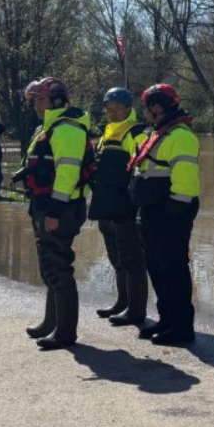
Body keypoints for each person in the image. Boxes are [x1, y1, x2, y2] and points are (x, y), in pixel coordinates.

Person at [12, 77, 90, 350]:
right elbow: (45, 164)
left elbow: (67, 175)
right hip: (44, 205)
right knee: (49, 266)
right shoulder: (47, 128)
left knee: (58, 268)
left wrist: (54, 212)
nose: (36, 106)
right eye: (34, 101)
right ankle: (50, 322)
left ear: (57, 100)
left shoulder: (67, 130)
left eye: (41, 100)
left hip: (61, 208)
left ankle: (65, 332)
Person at [129, 83, 200, 346]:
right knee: (157, 269)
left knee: (173, 269)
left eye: (146, 106)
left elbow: (185, 179)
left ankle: (182, 329)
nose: (144, 111)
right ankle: (167, 320)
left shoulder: (180, 135)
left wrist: (174, 211)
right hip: (152, 211)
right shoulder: (159, 133)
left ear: (157, 107)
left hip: (170, 213)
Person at [88, 87, 149, 327]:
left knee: (132, 258)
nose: (112, 112)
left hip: (126, 206)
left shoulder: (136, 132)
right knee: (116, 257)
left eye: (116, 108)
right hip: (106, 204)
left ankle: (136, 310)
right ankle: (122, 301)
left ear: (127, 108)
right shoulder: (106, 133)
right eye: (108, 108)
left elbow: (144, 169)